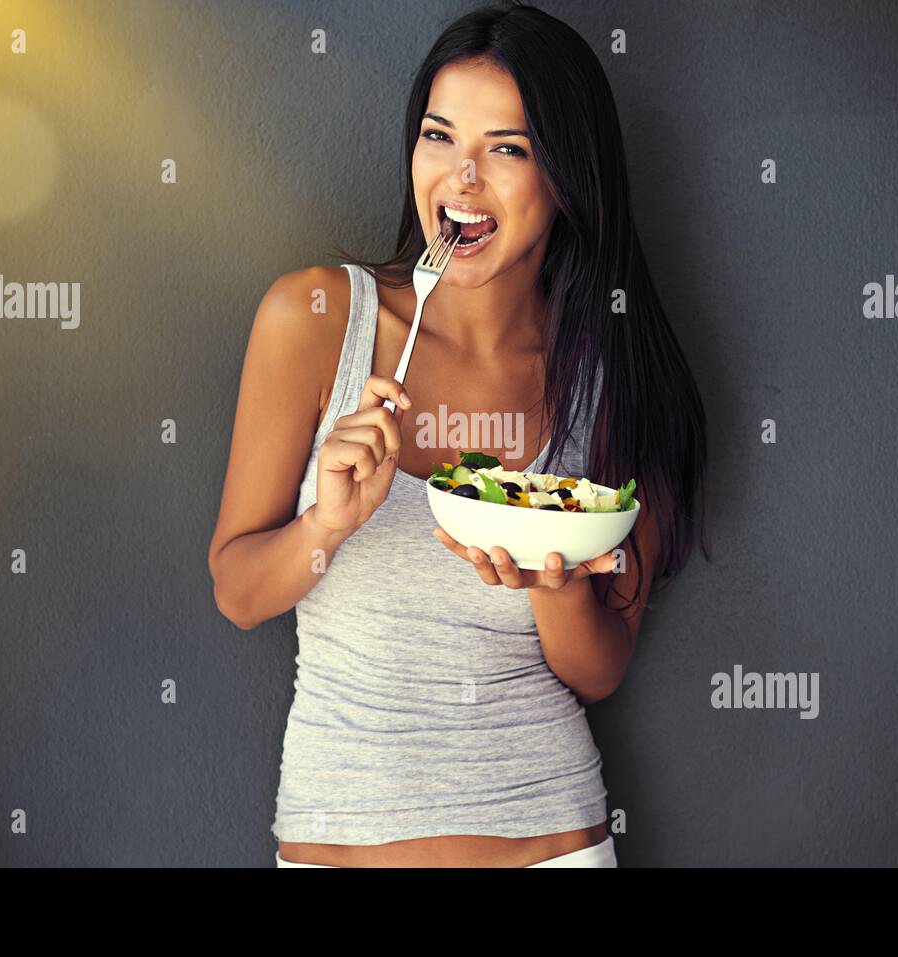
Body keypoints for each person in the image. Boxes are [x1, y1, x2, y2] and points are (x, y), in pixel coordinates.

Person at [208, 1, 709, 868]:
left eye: (507, 150)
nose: (462, 179)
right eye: (439, 137)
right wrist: (325, 525)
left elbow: (599, 669)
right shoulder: (318, 318)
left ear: (565, 175)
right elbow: (238, 590)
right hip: (337, 846)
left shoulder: (616, 370)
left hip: (552, 845)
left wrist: (550, 581)